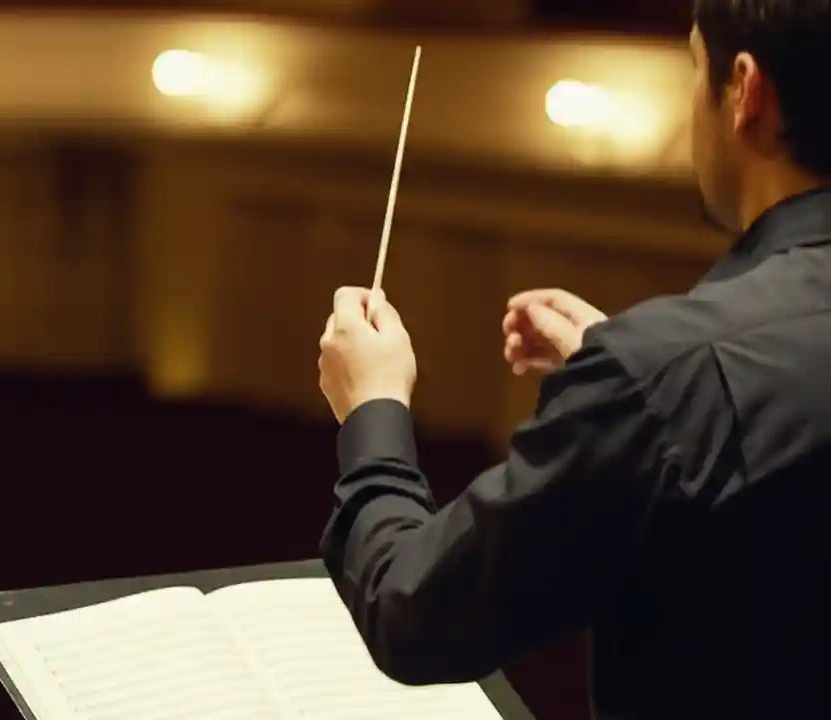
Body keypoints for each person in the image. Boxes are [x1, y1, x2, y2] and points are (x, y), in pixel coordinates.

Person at [316, 1, 831, 717]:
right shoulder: (669, 377)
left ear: (745, 91)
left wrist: (371, 405)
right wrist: (638, 382)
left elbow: (412, 610)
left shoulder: (667, 377)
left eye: (693, 67)